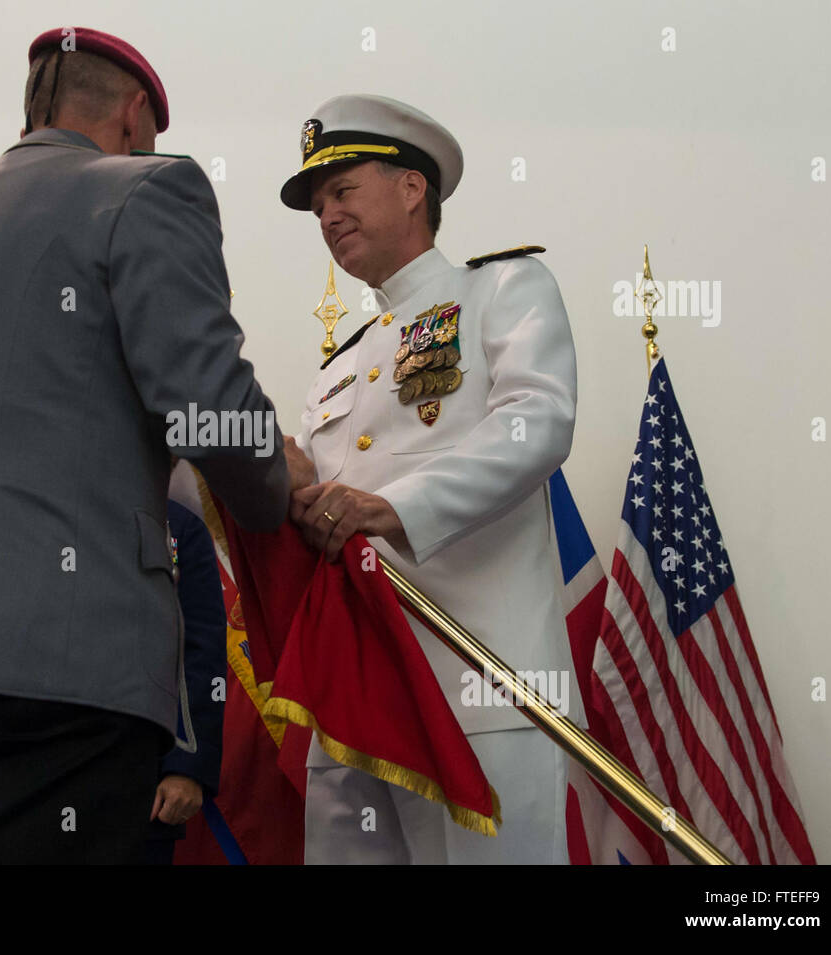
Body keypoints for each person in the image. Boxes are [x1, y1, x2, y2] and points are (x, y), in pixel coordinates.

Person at [0, 27, 290, 864]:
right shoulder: (149, 189)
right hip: (69, 654)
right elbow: (207, 404)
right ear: (135, 114)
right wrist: (278, 487)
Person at [279, 94, 581, 864]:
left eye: (343, 191)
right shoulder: (336, 367)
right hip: (358, 688)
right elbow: (319, 500)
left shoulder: (501, 291)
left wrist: (391, 507)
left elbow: (537, 422)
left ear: (413, 187)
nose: (328, 216)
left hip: (483, 684)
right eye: (318, 206)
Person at [144, 498, 226, 865]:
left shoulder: (178, 526)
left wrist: (186, 766)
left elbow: (199, 652)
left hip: (140, 778)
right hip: (21, 764)